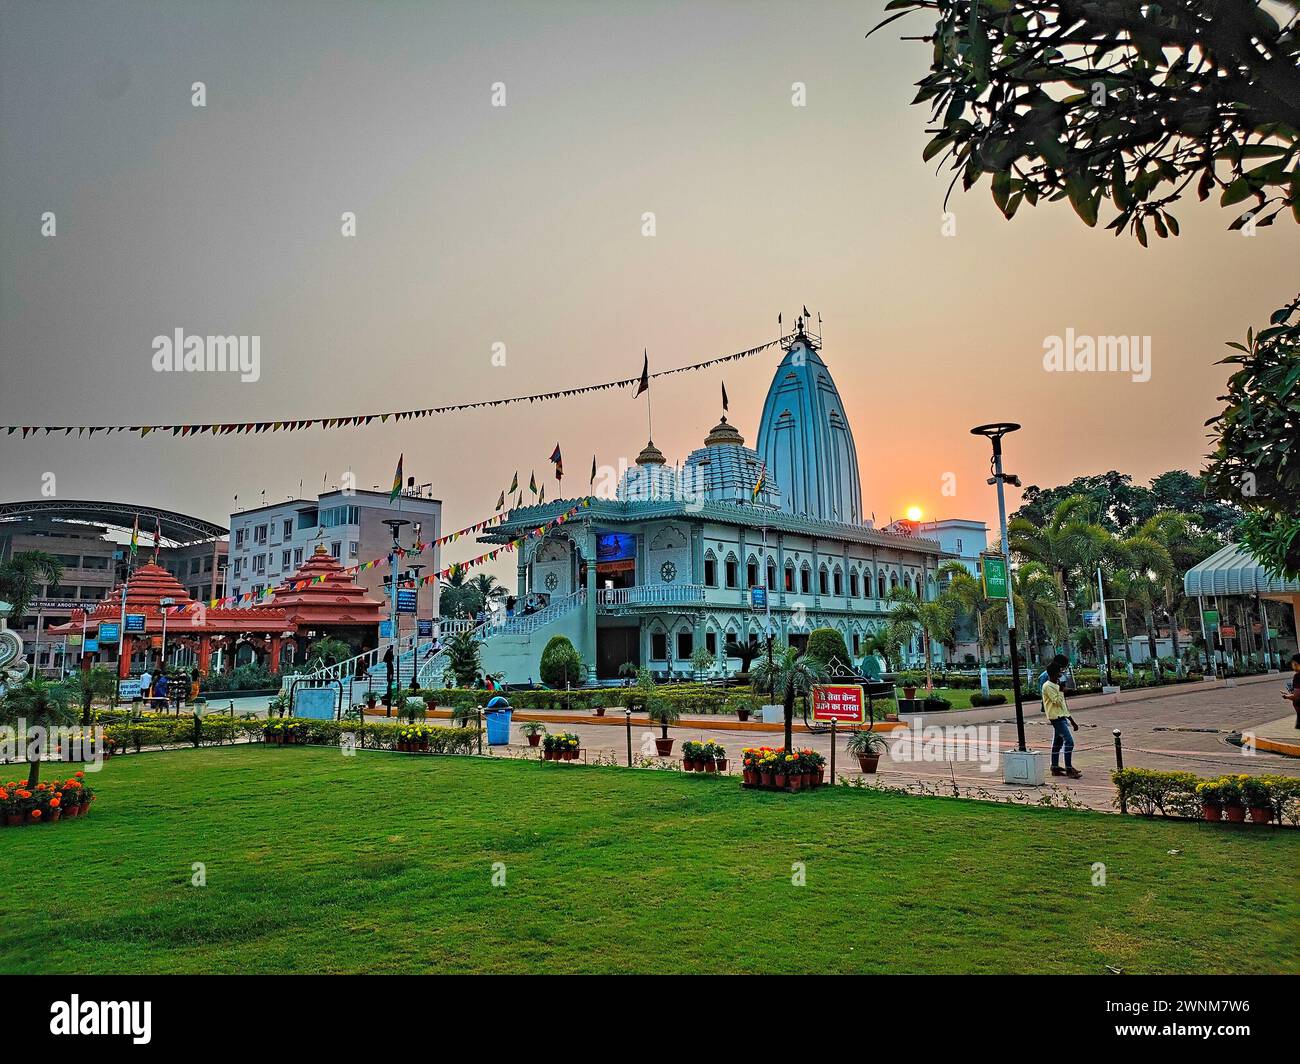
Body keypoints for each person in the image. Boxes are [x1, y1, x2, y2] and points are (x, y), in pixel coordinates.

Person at [1042, 660, 1080, 778]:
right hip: (1056, 718)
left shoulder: (1056, 685)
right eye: (1059, 672)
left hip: (1061, 717)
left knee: (1057, 743)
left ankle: (1055, 766)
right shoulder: (1048, 686)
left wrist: (1072, 720)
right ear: (1054, 674)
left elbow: (1063, 706)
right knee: (1069, 742)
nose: (1061, 674)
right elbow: (1056, 701)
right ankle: (1068, 768)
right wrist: (1061, 690)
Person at [1286, 653, 1300, 730]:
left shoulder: (1298, 676)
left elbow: (1297, 697)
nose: (1293, 666)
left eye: (1294, 664)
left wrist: (1287, 696)